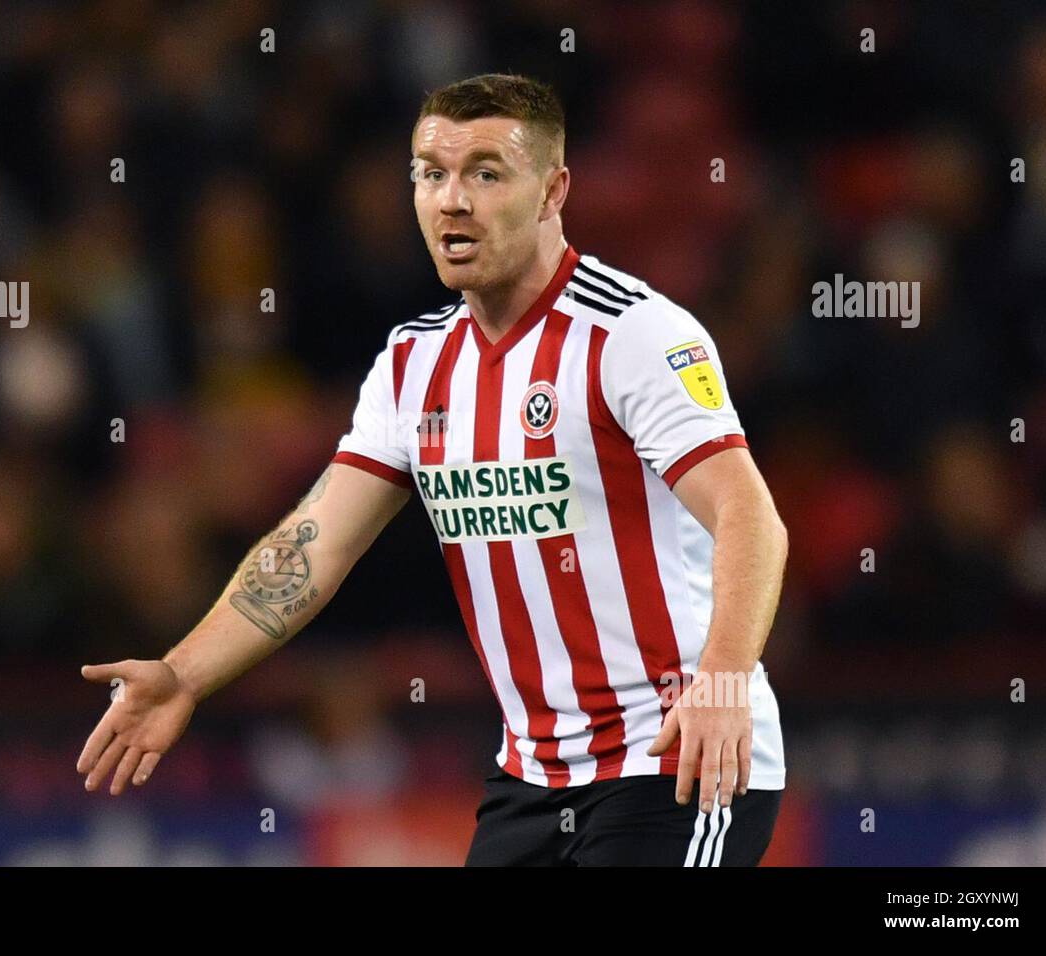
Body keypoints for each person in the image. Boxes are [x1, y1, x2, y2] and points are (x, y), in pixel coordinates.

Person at [77, 73, 788, 866]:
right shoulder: (413, 363)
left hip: (677, 757)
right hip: (534, 775)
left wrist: (723, 685)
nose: (452, 200)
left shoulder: (634, 336)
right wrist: (183, 674)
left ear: (553, 190)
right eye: (430, 173)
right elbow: (316, 546)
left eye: (486, 173)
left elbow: (751, 519)